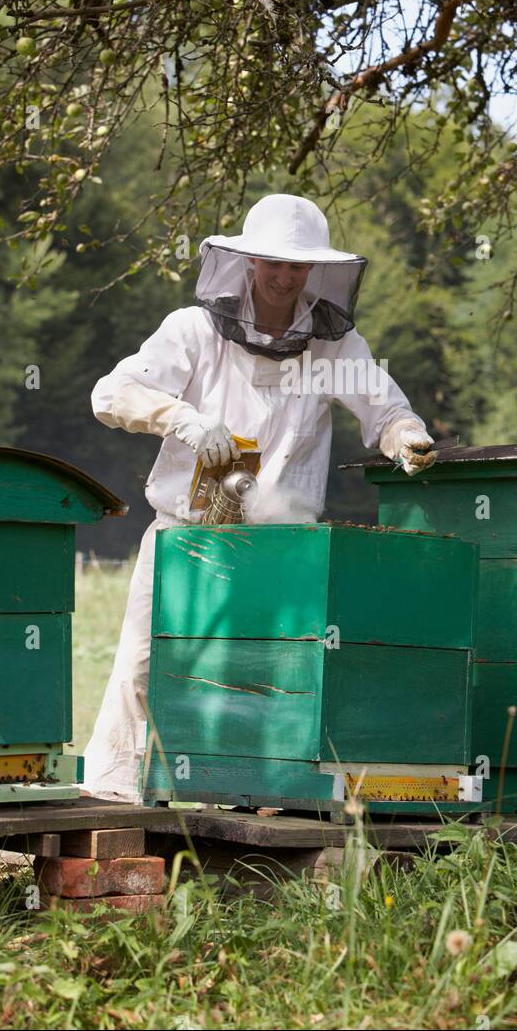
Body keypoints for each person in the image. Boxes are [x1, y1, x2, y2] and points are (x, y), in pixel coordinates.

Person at [80, 193, 437, 802]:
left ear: (315, 272)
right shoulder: (193, 331)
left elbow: (387, 408)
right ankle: (115, 798)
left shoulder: (334, 348)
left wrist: (408, 436)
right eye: (272, 262)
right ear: (247, 262)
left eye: (296, 266)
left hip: (281, 549)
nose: (283, 276)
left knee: (270, 679)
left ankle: (258, 804)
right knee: (144, 666)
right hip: (186, 534)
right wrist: (178, 416)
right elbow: (110, 394)